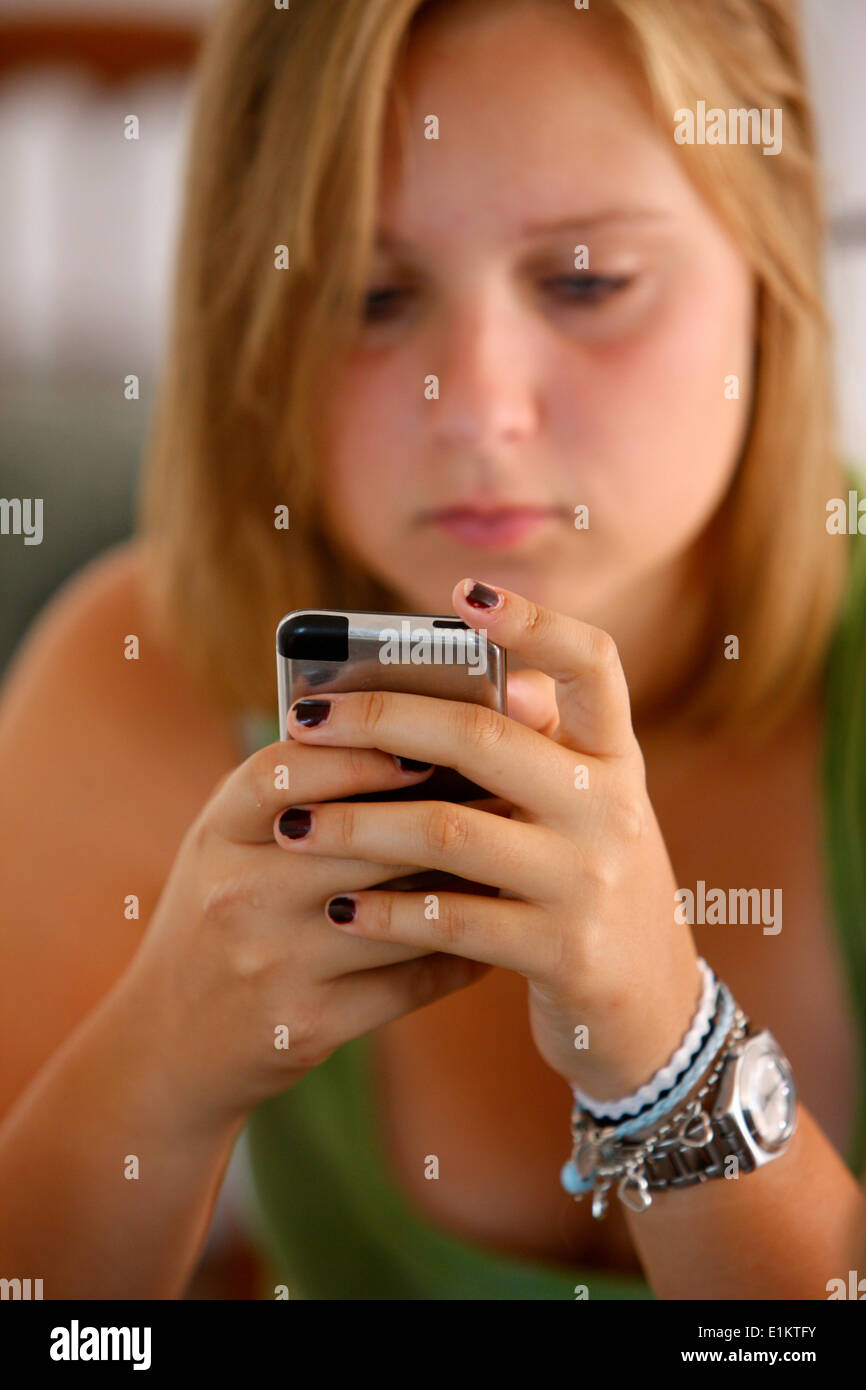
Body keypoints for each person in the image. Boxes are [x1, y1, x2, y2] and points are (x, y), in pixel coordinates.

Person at [1, 0, 864, 1301]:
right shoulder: (147, 671)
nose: (472, 407)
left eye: (584, 280)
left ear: (772, 257)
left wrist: (665, 1051)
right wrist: (165, 1058)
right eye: (370, 295)